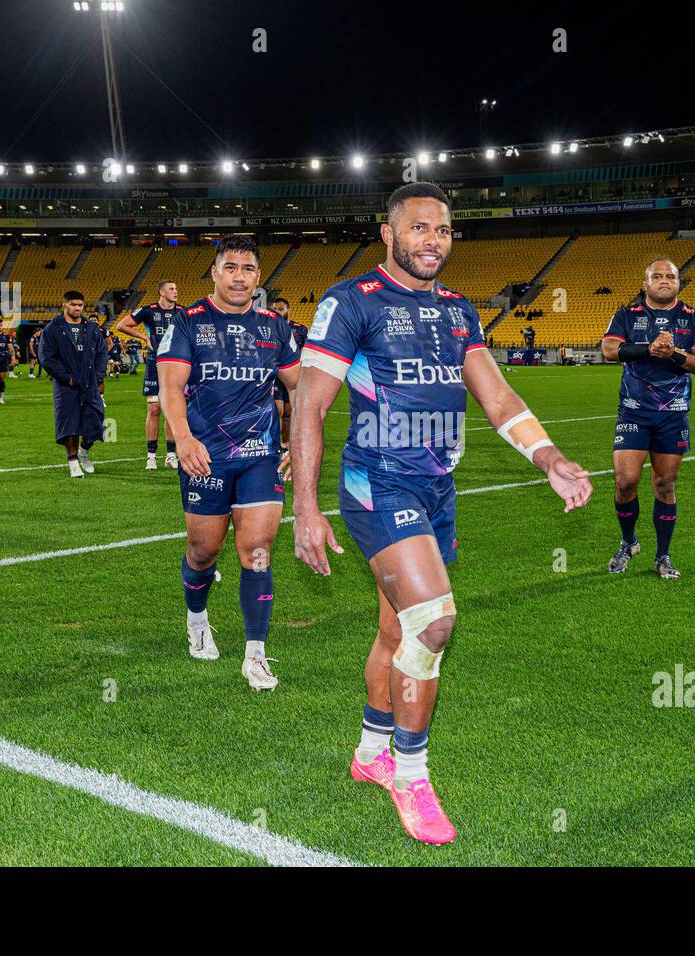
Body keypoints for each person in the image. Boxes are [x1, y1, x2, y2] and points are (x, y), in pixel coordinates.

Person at [291, 183, 593, 844]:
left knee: (396, 632)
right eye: (420, 228)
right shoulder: (351, 302)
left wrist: (550, 458)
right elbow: (309, 403)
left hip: (435, 489)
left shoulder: (459, 310)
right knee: (433, 623)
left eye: (444, 230)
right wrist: (305, 508)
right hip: (377, 482)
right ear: (389, 233)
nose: (433, 240)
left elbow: (498, 395)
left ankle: (371, 752)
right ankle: (411, 773)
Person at [157, 237, 300, 691]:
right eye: (230, 266)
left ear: (259, 278)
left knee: (257, 551)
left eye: (248, 268)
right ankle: (197, 618)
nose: (239, 275)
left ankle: (255, 655)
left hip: (260, 456)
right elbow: (170, 387)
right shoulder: (187, 321)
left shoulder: (275, 326)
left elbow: (301, 388)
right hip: (205, 457)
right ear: (215, 273)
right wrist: (183, 439)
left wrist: (298, 443)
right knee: (204, 552)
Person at [600, 258, 695, 580]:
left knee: (665, 484)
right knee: (625, 482)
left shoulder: (693, 318)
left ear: (678, 282)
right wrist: (649, 349)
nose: (664, 280)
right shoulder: (627, 314)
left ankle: (663, 556)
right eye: (657, 276)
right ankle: (628, 541)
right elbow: (609, 350)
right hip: (633, 410)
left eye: (671, 276)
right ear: (645, 283)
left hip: (672, 413)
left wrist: (674, 354)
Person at [115, 280, 184, 470]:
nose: (175, 291)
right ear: (161, 292)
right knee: (154, 409)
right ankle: (151, 456)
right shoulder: (148, 310)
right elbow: (121, 325)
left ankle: (171, 455)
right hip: (155, 364)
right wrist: (144, 337)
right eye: (171, 289)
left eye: (176, 288)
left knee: (172, 410)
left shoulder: (183, 312)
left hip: (176, 365)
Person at [39, 290, 108, 477]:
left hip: (90, 383)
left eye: (79, 305)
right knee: (69, 424)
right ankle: (73, 461)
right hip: (66, 385)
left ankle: (84, 451)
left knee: (95, 421)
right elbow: (47, 358)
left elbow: (102, 353)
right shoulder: (52, 329)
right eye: (73, 305)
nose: (77, 308)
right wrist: (66, 377)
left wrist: (98, 376)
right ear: (64, 305)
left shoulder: (92, 328)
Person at [269, 296, 308, 454]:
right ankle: (276, 444)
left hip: (294, 376)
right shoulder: (269, 328)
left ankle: (286, 443)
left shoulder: (300, 329)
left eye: (280, 308)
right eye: (275, 309)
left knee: (289, 412)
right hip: (277, 375)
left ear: (287, 310)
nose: (277, 311)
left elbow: (307, 352)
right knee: (277, 410)